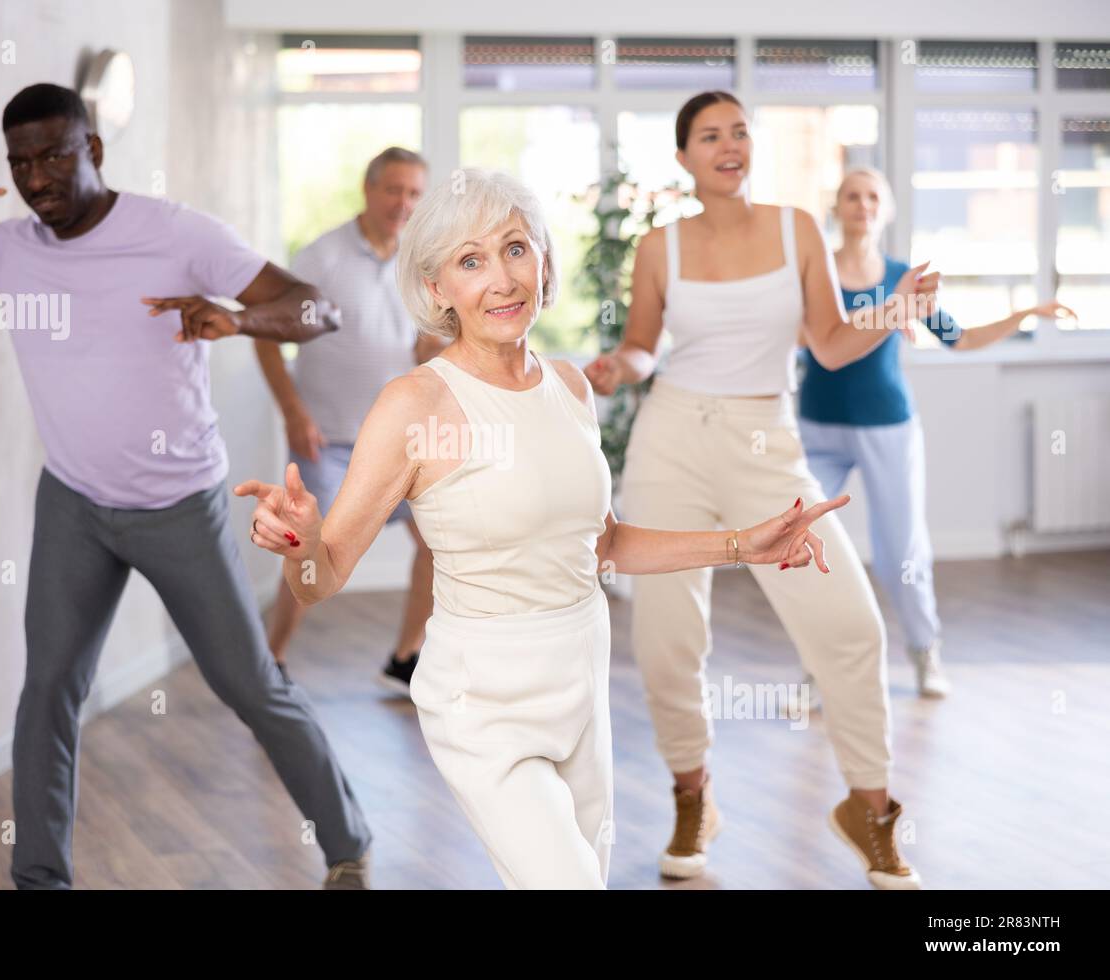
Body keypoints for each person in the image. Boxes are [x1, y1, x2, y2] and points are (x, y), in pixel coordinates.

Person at [236, 168, 853, 889]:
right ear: (436, 288)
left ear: (544, 262)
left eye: (516, 249)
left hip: (582, 682)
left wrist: (743, 544)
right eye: (471, 261)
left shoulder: (569, 387)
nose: (501, 279)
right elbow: (318, 581)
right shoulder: (414, 406)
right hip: (483, 700)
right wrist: (303, 545)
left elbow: (605, 546)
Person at [0, 83, 373, 890]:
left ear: (92, 150)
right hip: (73, 504)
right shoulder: (8, 249)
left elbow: (318, 311)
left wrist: (237, 319)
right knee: (48, 694)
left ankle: (346, 841)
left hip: (180, 507)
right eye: (20, 162)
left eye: (53, 156)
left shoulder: (175, 234)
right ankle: (39, 879)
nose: (36, 178)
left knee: (250, 685)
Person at [585, 91, 938, 889]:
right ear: (684, 158)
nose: (729, 144)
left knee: (849, 625)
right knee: (668, 641)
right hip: (671, 437)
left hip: (767, 442)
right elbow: (643, 348)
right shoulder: (658, 247)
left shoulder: (795, 230)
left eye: (740, 131)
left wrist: (896, 307)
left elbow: (832, 344)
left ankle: (870, 811)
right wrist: (617, 367)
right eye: (710, 135)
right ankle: (692, 794)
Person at [797, 167, 1078, 702]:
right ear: (836, 207)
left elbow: (962, 340)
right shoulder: (815, 275)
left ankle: (925, 651)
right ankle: (816, 670)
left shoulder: (906, 278)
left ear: (887, 210)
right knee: (811, 551)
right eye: (852, 196)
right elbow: (798, 338)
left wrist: (1024, 313)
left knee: (901, 551)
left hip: (887, 426)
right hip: (818, 426)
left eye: (873, 196)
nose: (862, 205)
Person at [255, 147, 444, 691]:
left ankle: (405, 657)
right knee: (311, 553)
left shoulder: (421, 263)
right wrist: (293, 413)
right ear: (369, 190)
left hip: (403, 443)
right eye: (394, 190)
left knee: (436, 546)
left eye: (413, 193)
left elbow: (422, 349)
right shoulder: (322, 258)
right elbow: (269, 337)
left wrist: (430, 350)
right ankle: (272, 662)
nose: (403, 203)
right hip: (329, 441)